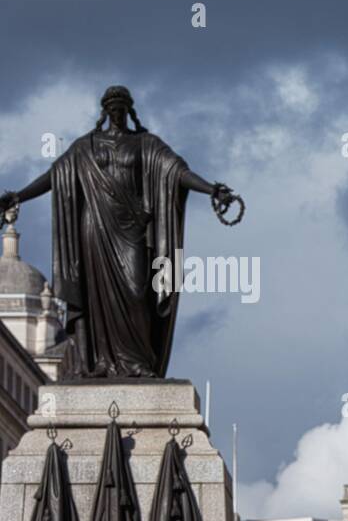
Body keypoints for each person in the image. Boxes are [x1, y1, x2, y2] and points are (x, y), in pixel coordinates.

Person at [0, 86, 239, 377]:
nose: (116, 112)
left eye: (121, 107)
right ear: (104, 111)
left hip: (131, 229)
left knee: (138, 291)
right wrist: (18, 196)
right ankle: (102, 362)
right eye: (111, 107)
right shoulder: (84, 147)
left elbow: (176, 172)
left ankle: (137, 361)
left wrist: (211, 189)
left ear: (129, 111)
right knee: (96, 297)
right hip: (94, 229)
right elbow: (55, 176)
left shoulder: (145, 144)